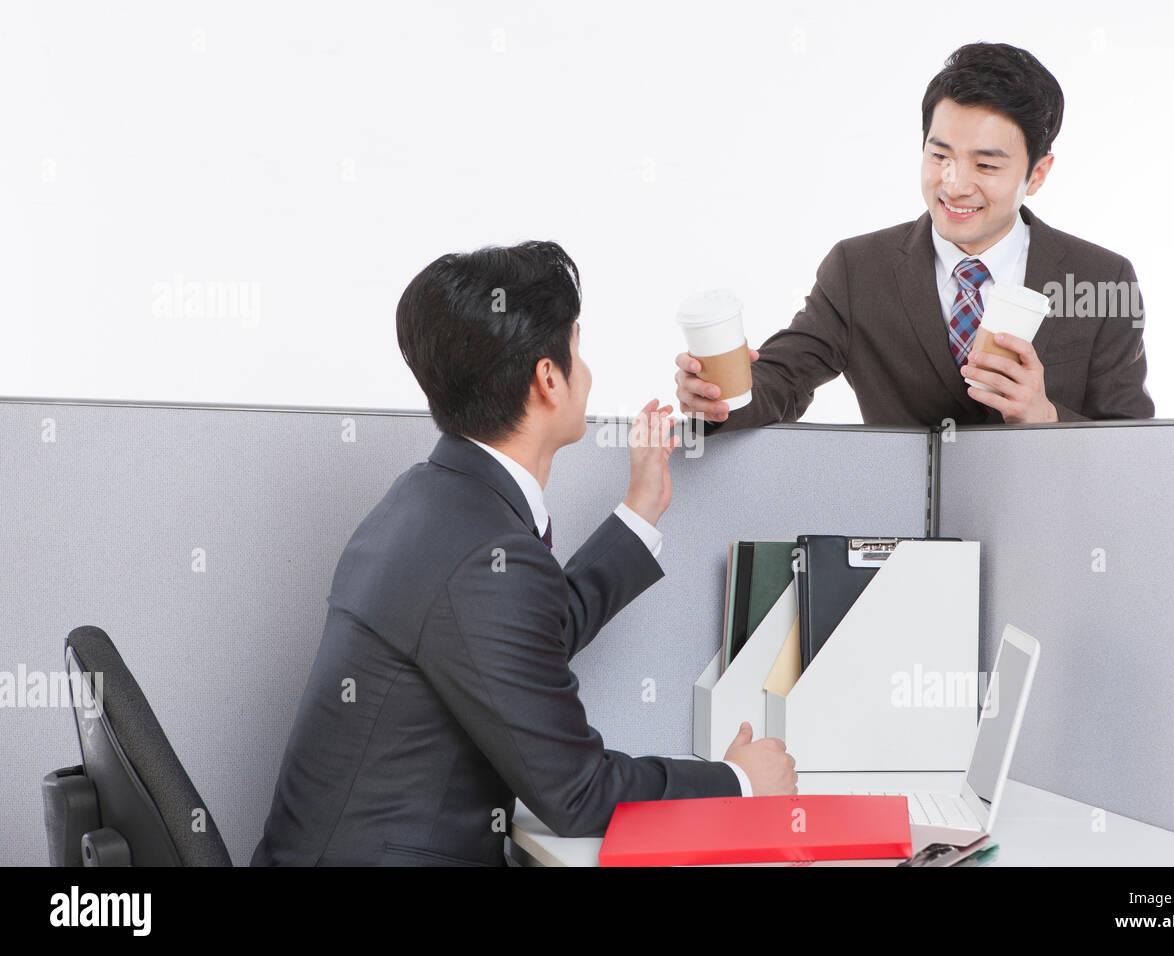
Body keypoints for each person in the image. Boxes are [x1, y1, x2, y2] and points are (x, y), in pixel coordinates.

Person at [251, 240, 795, 867]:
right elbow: (578, 792)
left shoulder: (428, 501)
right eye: (577, 351)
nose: (586, 372)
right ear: (548, 379)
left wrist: (639, 510)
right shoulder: (483, 552)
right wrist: (738, 783)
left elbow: (520, 638)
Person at [676, 42, 1155, 432]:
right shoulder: (858, 268)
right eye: (939, 155)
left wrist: (1044, 417)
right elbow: (782, 381)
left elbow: (1133, 450)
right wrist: (718, 399)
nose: (954, 183)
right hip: (902, 540)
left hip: (1051, 536)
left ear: (1038, 174)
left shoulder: (1101, 278)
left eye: (986, 165)